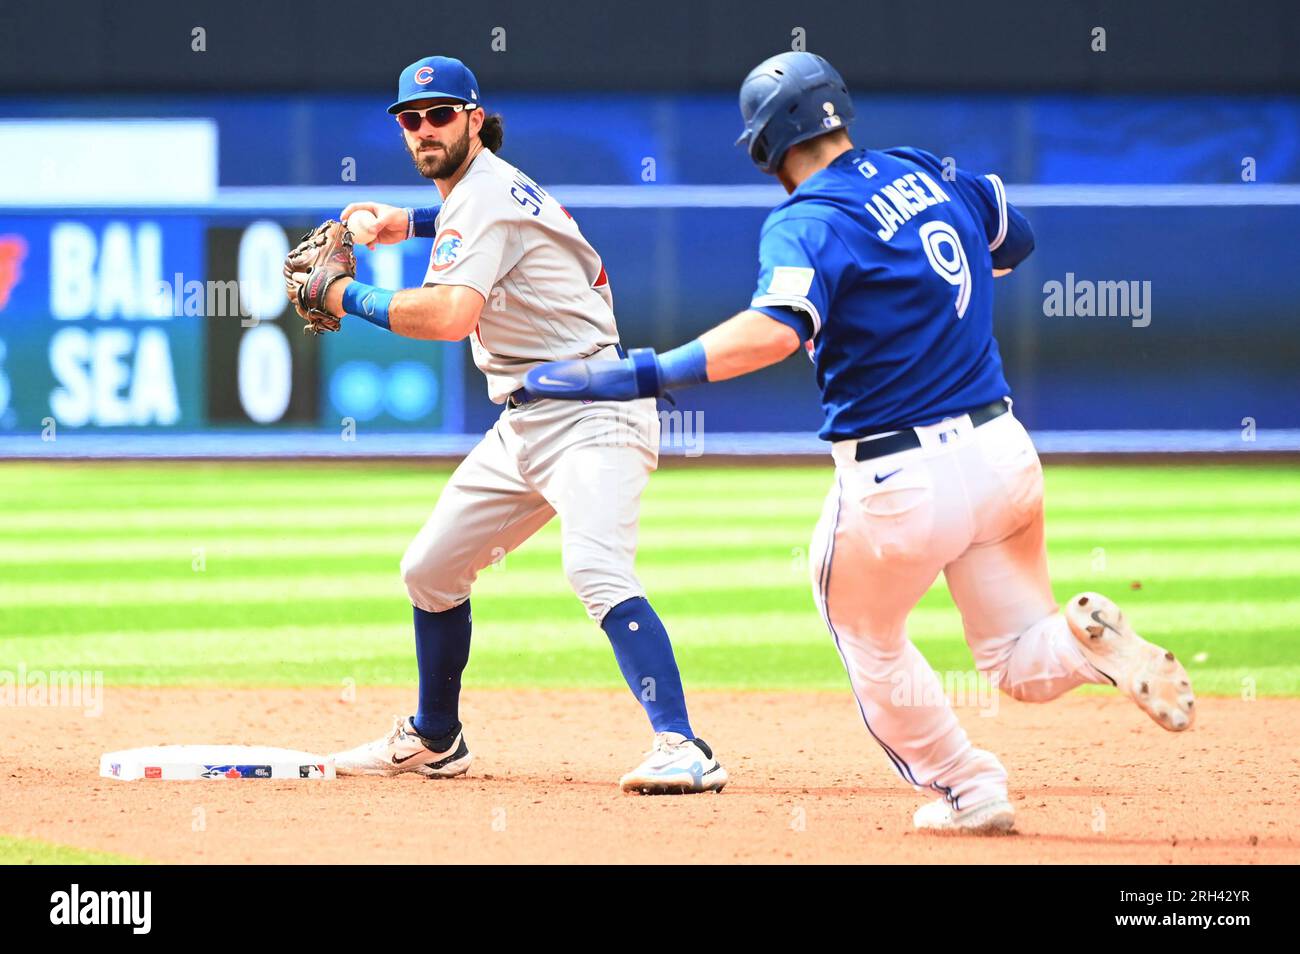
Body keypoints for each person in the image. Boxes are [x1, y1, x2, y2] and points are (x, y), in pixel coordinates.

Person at [523, 51, 1194, 832]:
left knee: (863, 629)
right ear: (838, 112)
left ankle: (967, 787)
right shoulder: (920, 169)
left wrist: (638, 374)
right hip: (1003, 450)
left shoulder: (808, 220)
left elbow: (772, 333)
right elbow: (1016, 239)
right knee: (1015, 656)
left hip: (901, 478)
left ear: (768, 146)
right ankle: (1086, 644)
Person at [318, 55, 726, 795]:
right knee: (430, 571)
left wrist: (347, 296)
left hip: (595, 409)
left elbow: (449, 317)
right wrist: (399, 220)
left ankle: (684, 745)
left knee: (594, 566)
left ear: (475, 119)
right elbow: (467, 217)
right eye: (410, 118)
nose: (424, 129)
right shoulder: (483, 191)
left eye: (441, 114)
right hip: (526, 422)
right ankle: (437, 738)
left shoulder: (483, 193)